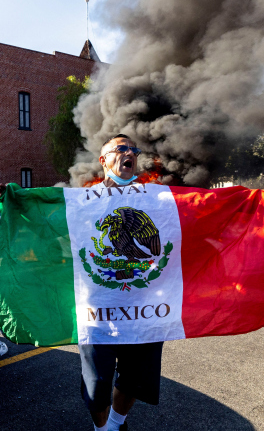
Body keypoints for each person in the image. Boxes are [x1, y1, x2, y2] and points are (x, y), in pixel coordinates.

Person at [79, 134, 163, 431]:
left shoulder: (156, 197)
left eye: (133, 150)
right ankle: (102, 428)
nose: (130, 153)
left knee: (135, 380)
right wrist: (16, 200)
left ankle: (115, 425)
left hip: (145, 309)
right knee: (96, 385)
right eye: (121, 149)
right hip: (97, 311)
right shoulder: (81, 200)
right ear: (103, 160)